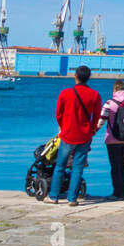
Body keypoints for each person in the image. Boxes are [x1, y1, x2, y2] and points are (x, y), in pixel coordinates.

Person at [46, 65, 101, 206]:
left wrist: (64, 127)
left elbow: (58, 114)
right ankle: (72, 198)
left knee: (60, 166)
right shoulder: (95, 95)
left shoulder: (65, 93)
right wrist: (92, 130)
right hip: (84, 135)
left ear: (75, 76)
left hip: (68, 134)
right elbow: (96, 116)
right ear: (88, 78)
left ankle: (53, 196)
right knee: (78, 168)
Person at [97, 80, 124, 199]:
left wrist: (94, 131)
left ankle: (117, 193)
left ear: (114, 90)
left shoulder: (109, 103)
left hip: (113, 139)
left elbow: (101, 120)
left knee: (115, 166)